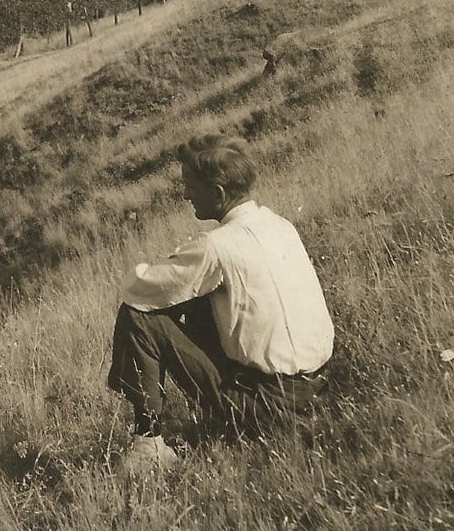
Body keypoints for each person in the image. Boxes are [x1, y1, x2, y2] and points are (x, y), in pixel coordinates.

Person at [108, 133, 334, 472]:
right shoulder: (281, 226)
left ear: (218, 193)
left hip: (265, 404)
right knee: (196, 298)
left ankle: (148, 442)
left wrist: (162, 285)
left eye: (190, 185)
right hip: (318, 390)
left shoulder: (218, 246)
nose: (185, 195)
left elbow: (138, 291)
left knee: (139, 316)